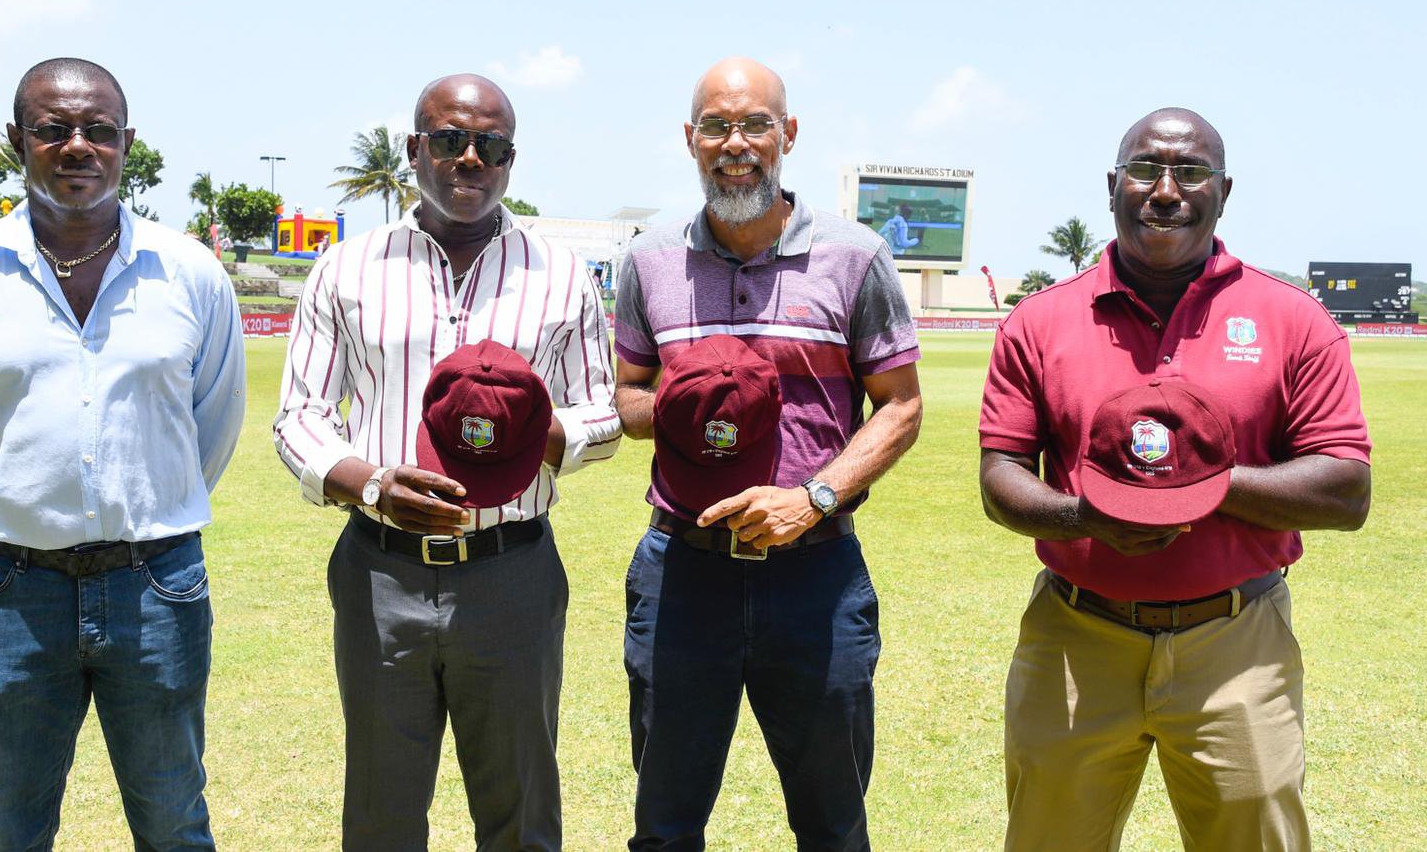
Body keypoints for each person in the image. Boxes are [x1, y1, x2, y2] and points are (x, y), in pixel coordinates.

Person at [978, 107, 1372, 851]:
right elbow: (1001, 473)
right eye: (1144, 169)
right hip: (1076, 635)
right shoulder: (1040, 320)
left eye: (1190, 172)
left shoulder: (1291, 318)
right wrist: (1083, 518)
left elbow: (1346, 489)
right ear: (1112, 185)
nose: (1165, 191)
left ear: (1223, 191)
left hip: (1236, 640)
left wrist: (1202, 482)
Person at [0, 57, 246, 850]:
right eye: (53, 129)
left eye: (99, 130)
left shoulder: (190, 273)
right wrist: (20, 501)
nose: (78, 146)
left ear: (128, 143)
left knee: (174, 819)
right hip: (13, 589)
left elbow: (214, 421)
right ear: (16, 140)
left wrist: (146, 505)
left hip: (157, 585)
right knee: (8, 824)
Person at [272, 73, 620, 851]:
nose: (471, 158)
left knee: (521, 814)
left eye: (491, 145)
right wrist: (372, 484)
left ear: (510, 159)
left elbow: (602, 413)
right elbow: (299, 415)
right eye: (451, 140)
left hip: (511, 571)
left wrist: (532, 437)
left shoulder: (561, 274)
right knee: (381, 815)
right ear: (414, 148)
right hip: (381, 568)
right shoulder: (346, 268)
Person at [612, 56, 924, 850]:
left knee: (832, 827)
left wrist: (813, 498)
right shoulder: (649, 259)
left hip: (814, 574)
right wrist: (678, 404)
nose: (736, 144)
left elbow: (900, 406)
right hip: (683, 571)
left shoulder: (855, 255)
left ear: (788, 134)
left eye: (755, 125)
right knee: (665, 827)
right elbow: (627, 396)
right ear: (690, 138)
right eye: (716, 126)